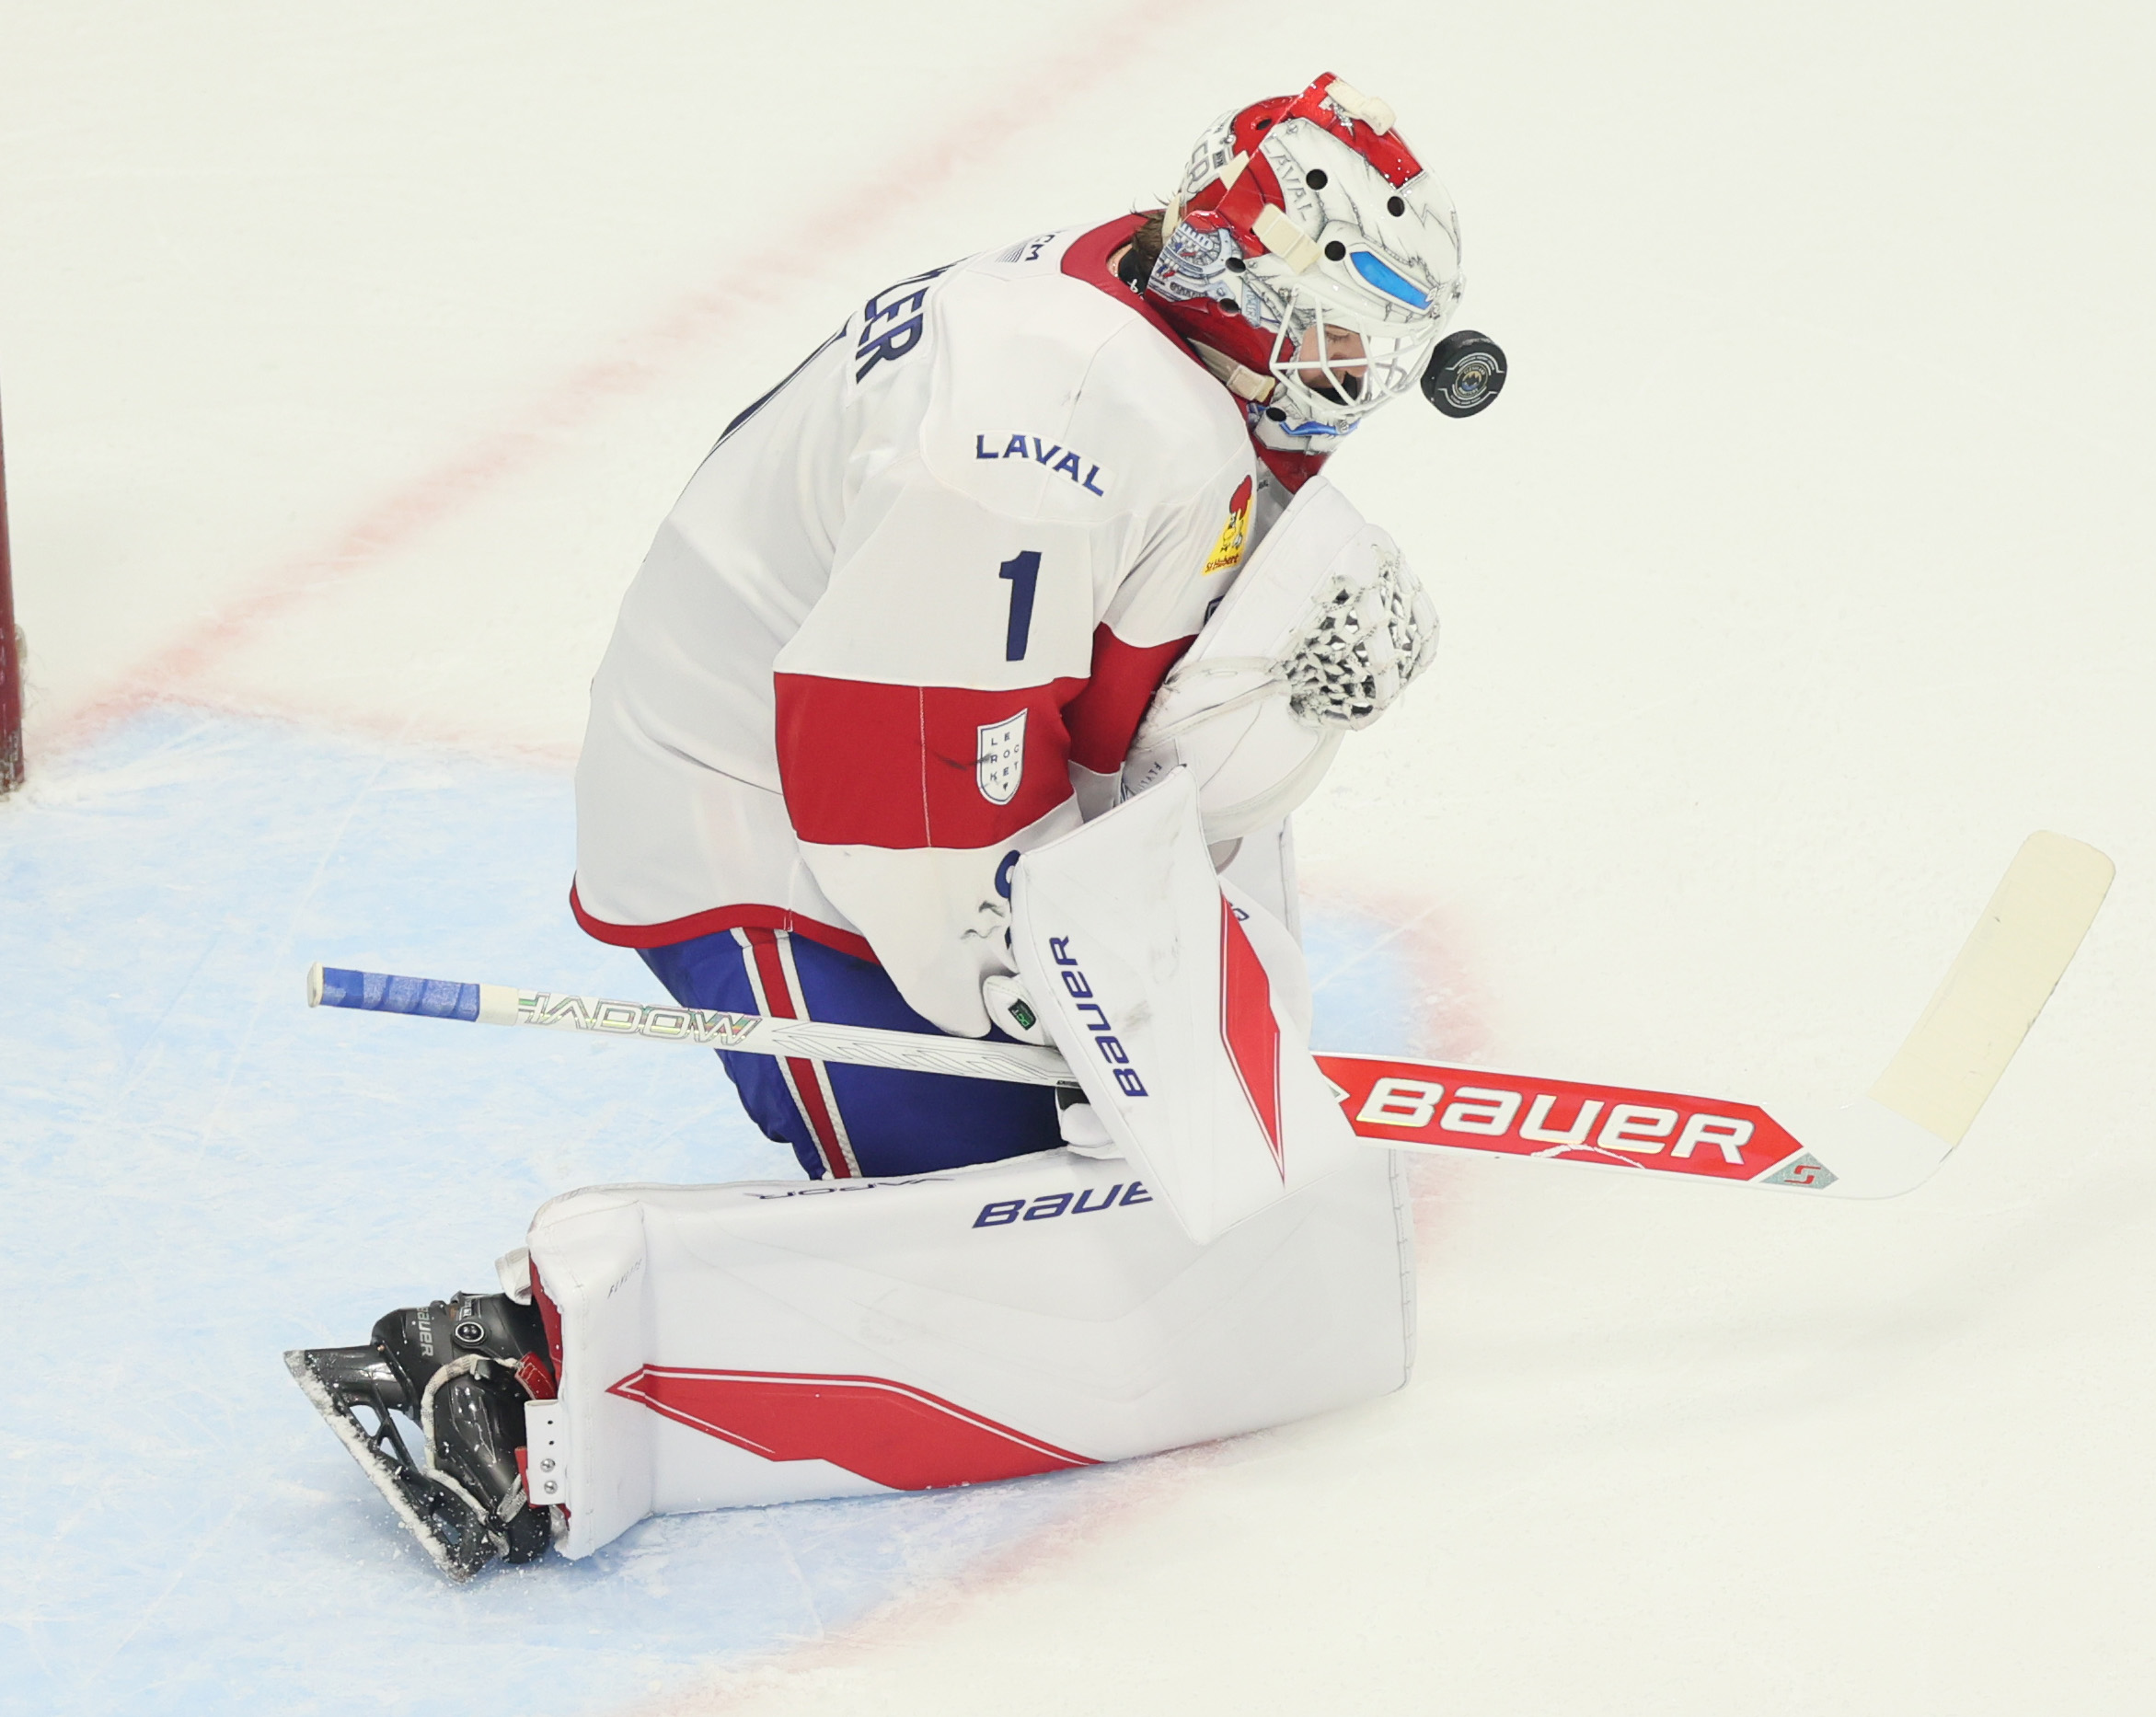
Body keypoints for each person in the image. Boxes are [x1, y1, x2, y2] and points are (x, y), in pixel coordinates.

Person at [291, 73, 1467, 1580]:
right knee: (1011, 1228)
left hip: (909, 777)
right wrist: (1043, 993)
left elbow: (1094, 701)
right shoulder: (1033, 436)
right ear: (1242, 283)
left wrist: (1269, 721)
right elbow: (886, 782)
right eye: (1345, 327)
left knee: (1118, 1142)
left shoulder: (1157, 329)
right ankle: (511, 1378)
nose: (1363, 371)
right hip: (762, 834)